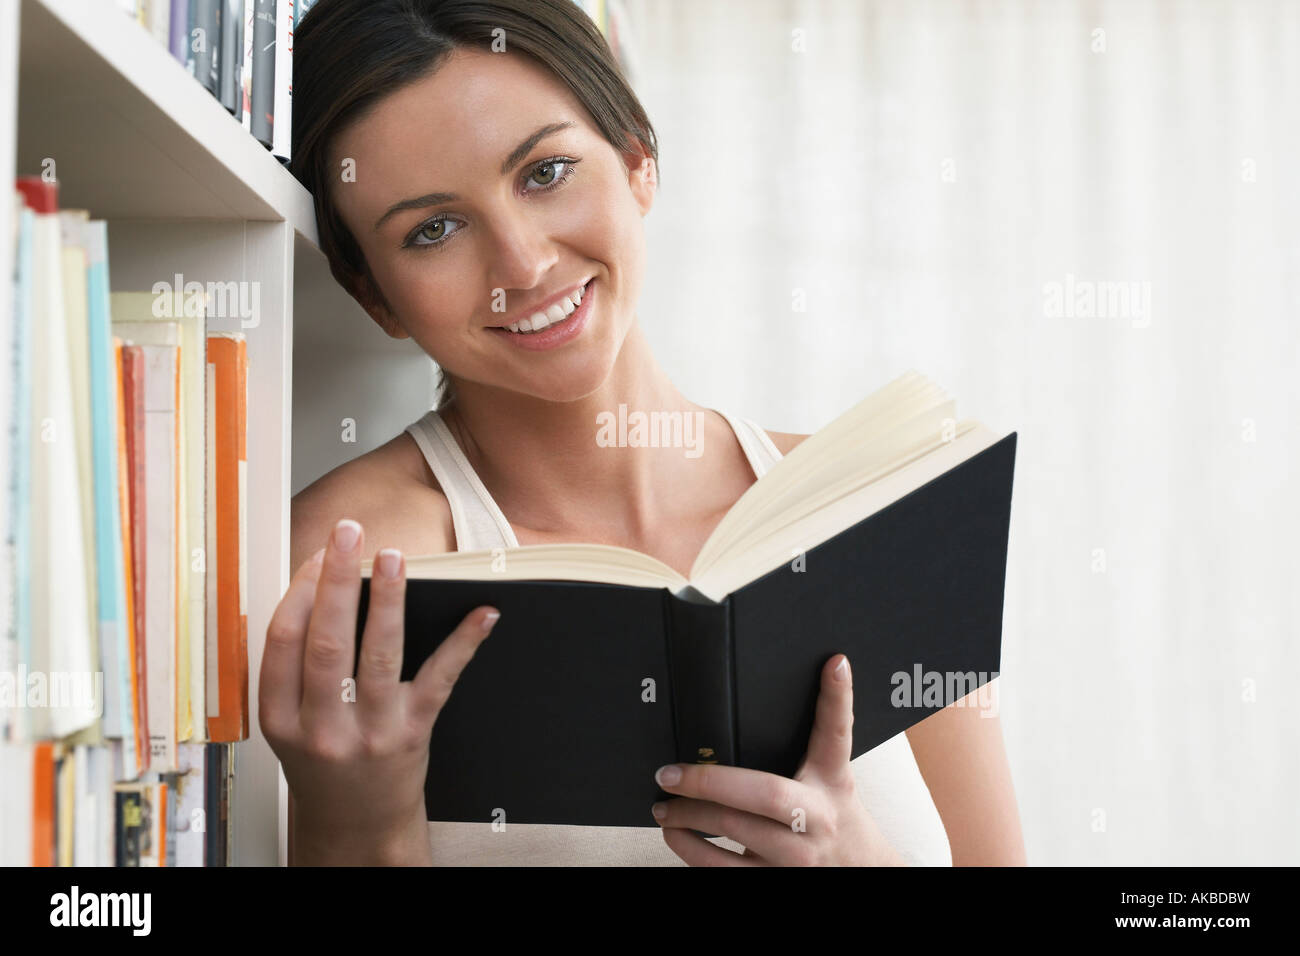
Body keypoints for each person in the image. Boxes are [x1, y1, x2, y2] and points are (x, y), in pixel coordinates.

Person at [264, 0, 1027, 866]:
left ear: (637, 161)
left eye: (545, 171)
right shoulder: (348, 570)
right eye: (433, 229)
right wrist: (351, 829)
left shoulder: (880, 508)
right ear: (376, 298)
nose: (523, 264)